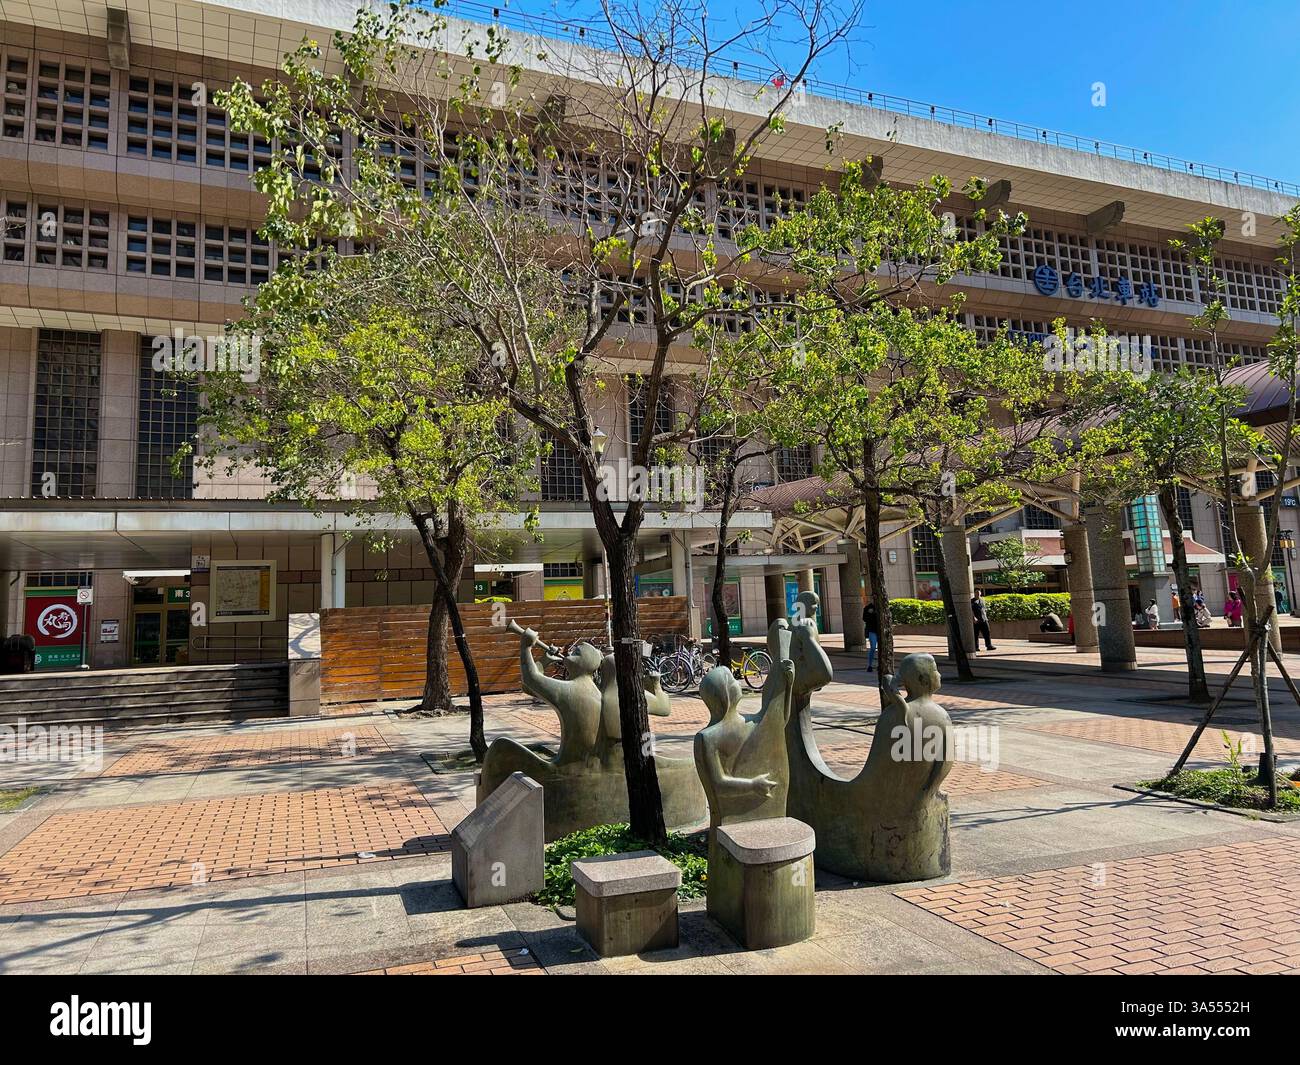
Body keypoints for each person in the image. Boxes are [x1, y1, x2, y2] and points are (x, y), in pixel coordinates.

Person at [862, 600, 880, 673]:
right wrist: (871, 613)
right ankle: (870, 665)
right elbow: (864, 618)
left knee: (881, 648)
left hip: (880, 630)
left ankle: (880, 665)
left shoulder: (883, 606)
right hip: (872, 630)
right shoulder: (868, 607)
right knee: (873, 647)